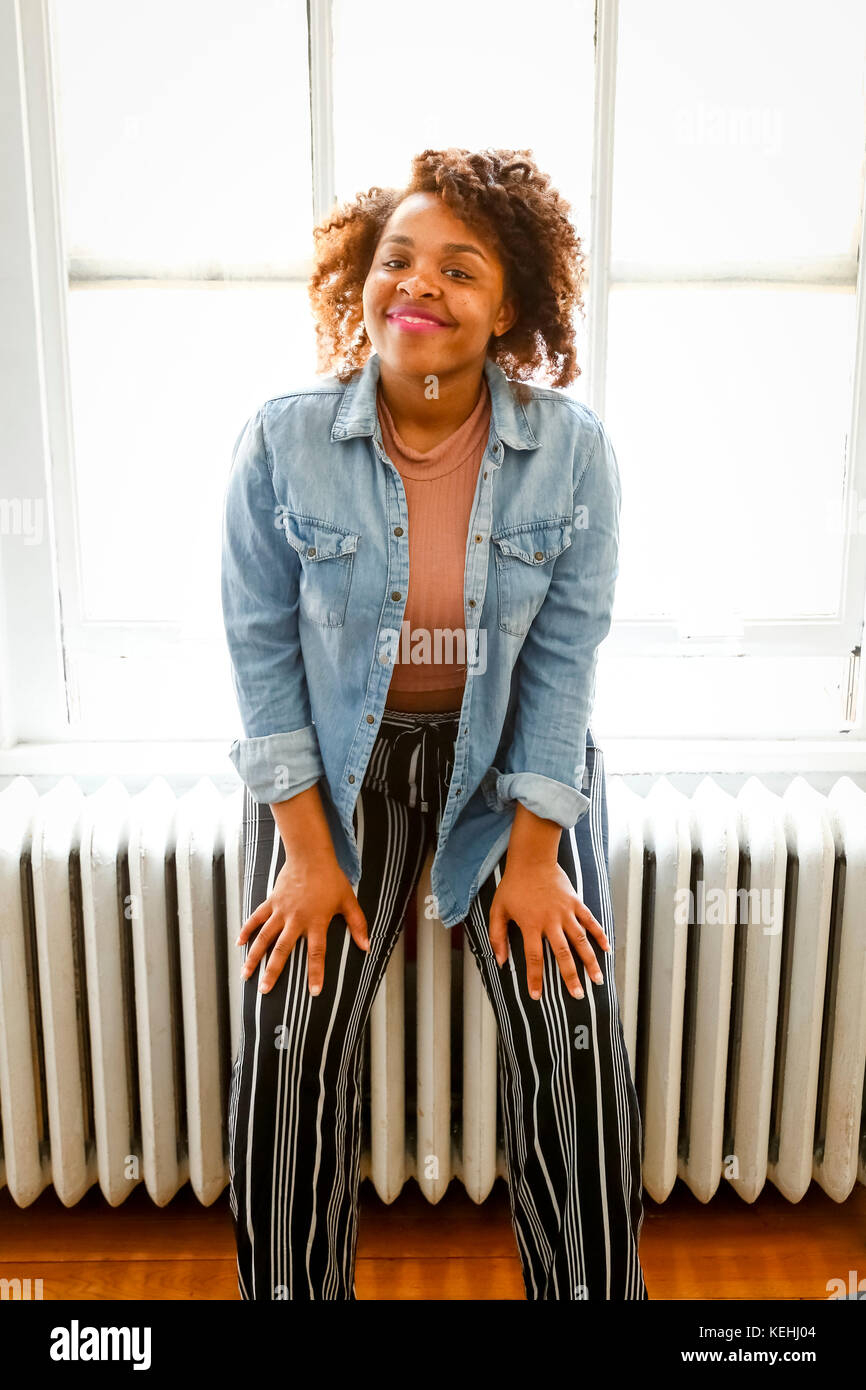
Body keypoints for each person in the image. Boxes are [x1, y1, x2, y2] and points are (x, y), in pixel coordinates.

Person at [221, 147, 647, 1301]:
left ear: (508, 306)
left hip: (509, 771)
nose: (419, 285)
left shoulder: (572, 453)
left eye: (459, 269)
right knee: (286, 1049)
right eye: (398, 259)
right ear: (364, 276)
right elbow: (261, 657)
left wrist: (533, 858)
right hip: (334, 774)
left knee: (571, 1044)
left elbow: (563, 665)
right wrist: (307, 857)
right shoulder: (280, 440)